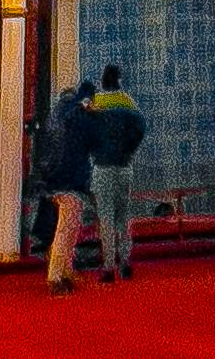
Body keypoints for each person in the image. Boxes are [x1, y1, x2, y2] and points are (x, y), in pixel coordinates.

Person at [88, 63, 147, 282]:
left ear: (103, 81)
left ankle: (108, 266)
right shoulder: (128, 103)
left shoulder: (97, 104)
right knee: (122, 215)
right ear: (119, 80)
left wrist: (96, 149)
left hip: (102, 167)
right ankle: (125, 261)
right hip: (124, 166)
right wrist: (128, 149)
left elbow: (87, 133)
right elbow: (141, 128)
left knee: (105, 216)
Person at [43, 78, 96, 289]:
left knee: (69, 226)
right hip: (70, 181)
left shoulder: (57, 117)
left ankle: (65, 270)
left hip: (56, 180)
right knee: (67, 228)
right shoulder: (77, 117)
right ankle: (55, 276)